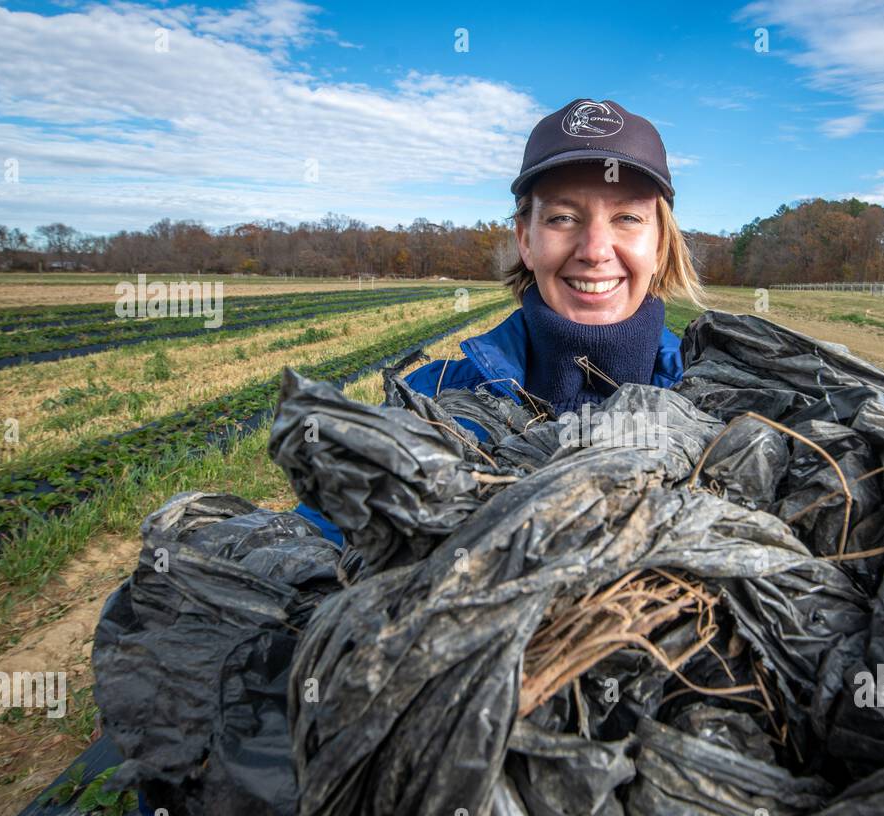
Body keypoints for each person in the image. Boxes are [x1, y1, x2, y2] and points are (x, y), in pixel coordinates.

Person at [295, 98, 707, 544]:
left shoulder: (723, 403)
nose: (594, 250)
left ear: (661, 243)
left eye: (627, 218)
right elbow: (315, 546)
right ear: (525, 241)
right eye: (563, 218)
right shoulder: (429, 404)